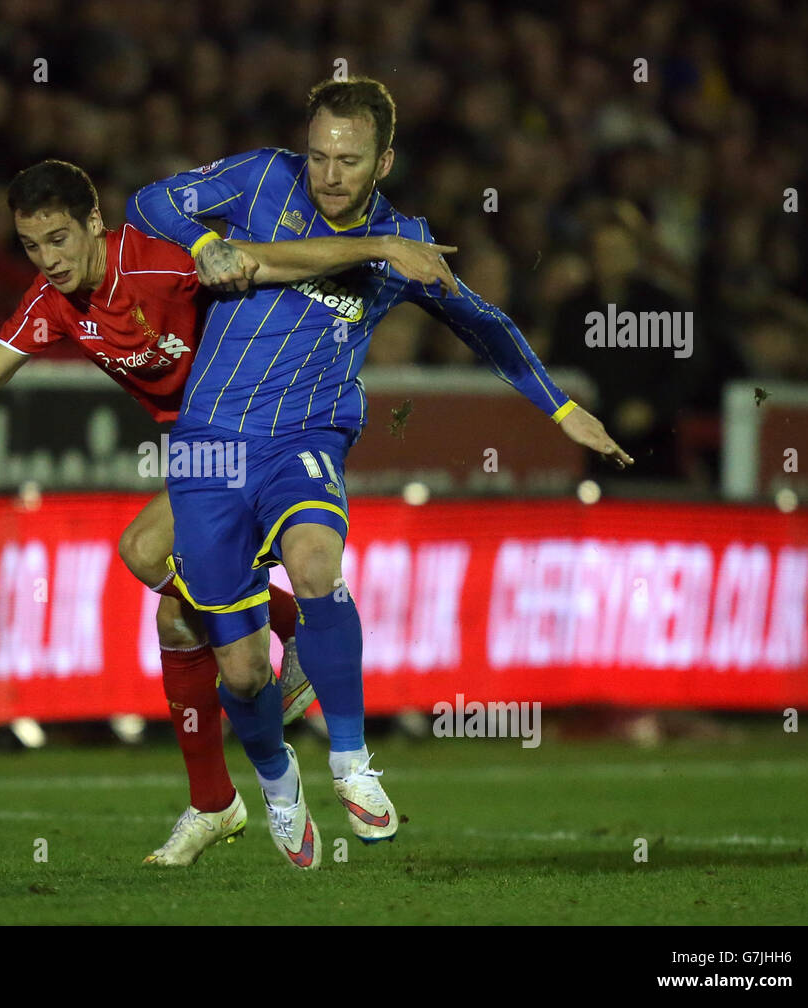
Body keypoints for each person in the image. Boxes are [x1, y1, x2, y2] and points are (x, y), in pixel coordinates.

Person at [0, 158, 460, 865]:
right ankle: (217, 798)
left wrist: (375, 249)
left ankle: (280, 673)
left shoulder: (162, 261)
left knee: (144, 553)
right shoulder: (52, 304)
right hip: (203, 458)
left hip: (262, 430)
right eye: (31, 246)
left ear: (95, 224)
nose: (48, 260)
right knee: (176, 614)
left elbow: (270, 263)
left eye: (58, 239)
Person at [128, 77, 633, 870]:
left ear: (384, 159)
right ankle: (278, 782)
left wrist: (562, 411)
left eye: (350, 160)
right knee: (244, 669)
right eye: (321, 154)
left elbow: (484, 323)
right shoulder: (262, 178)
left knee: (319, 564)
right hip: (208, 445)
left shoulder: (404, 243)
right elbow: (148, 202)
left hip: (307, 434)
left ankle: (354, 766)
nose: (330, 174)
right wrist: (204, 246)